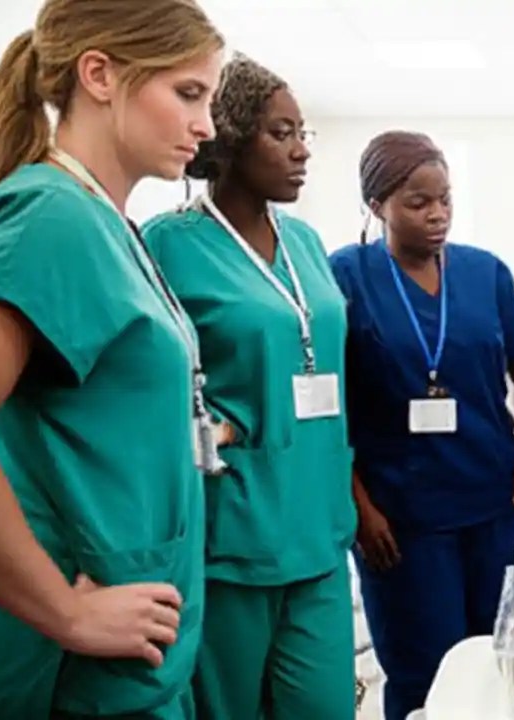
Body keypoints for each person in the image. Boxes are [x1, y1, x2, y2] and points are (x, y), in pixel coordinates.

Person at [0, 1, 224, 717]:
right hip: (61, 661)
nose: (207, 126)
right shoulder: (51, 217)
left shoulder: (106, 222)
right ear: (99, 75)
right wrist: (65, 613)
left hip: (131, 649)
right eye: (188, 93)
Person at [142, 55, 357, 719]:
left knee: (326, 707)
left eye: (302, 134)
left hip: (319, 525)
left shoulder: (306, 242)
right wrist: (212, 425)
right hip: (233, 532)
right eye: (280, 133)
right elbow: (141, 380)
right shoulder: (168, 244)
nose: (301, 151)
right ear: (229, 138)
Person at [329, 130, 514, 720]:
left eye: (445, 199)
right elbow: (331, 404)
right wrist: (359, 505)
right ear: (377, 205)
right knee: (422, 671)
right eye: (418, 202)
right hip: (402, 518)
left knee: (498, 659)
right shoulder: (347, 276)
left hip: (494, 500)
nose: (437, 214)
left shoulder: (484, 272)